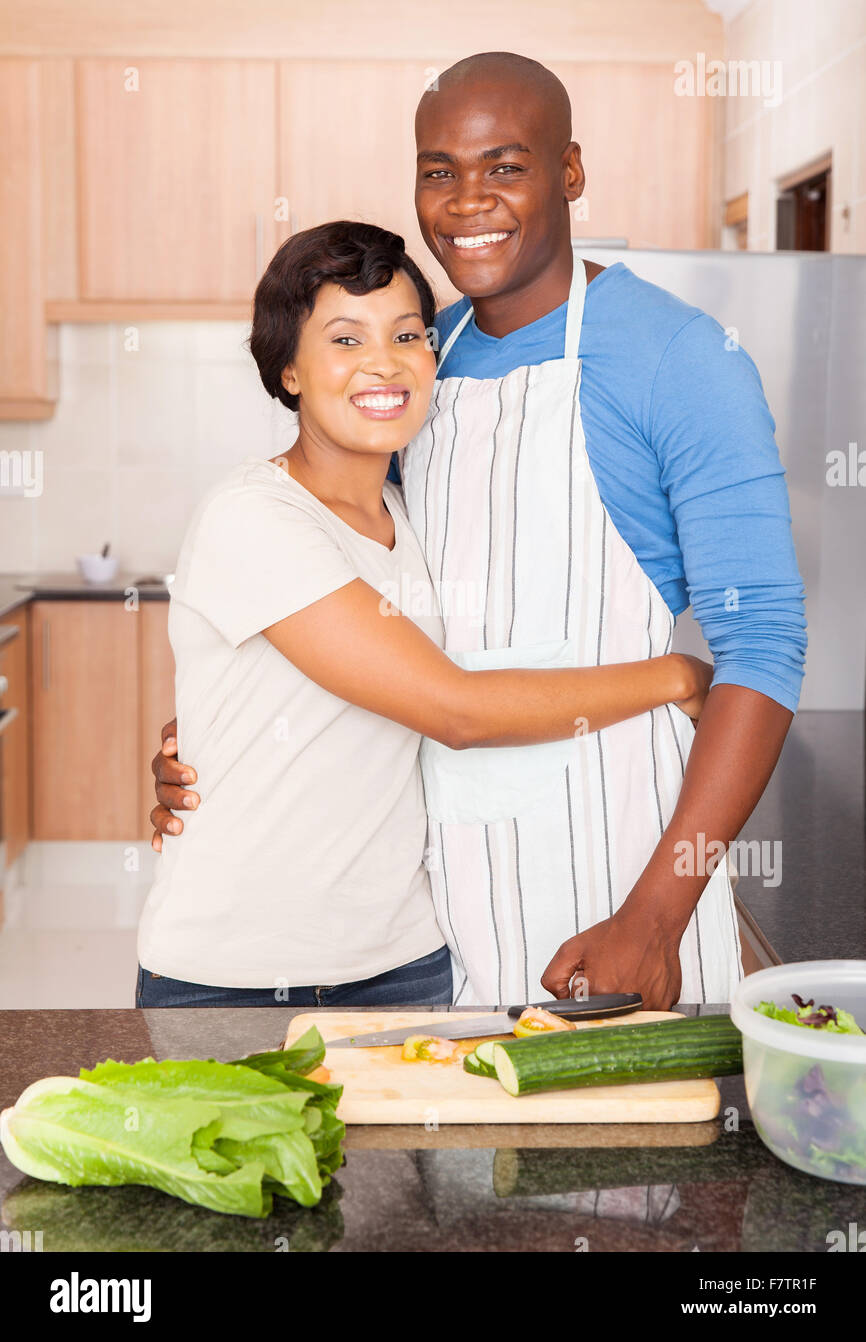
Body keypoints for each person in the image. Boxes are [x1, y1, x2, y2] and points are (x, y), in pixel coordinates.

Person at [151, 53, 806, 1010]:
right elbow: (382, 640)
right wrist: (212, 738)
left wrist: (656, 916)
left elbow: (764, 647)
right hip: (436, 917)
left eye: (506, 166)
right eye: (440, 172)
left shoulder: (682, 357)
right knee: (446, 1153)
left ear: (570, 173)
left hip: (617, 865)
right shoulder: (421, 366)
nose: (469, 202)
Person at [137, 221, 711, 1009]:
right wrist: (675, 673)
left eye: (408, 333)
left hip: (402, 964)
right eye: (346, 338)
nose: (384, 361)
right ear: (290, 371)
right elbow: (456, 708)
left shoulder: (411, 518)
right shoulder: (254, 516)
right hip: (233, 975)